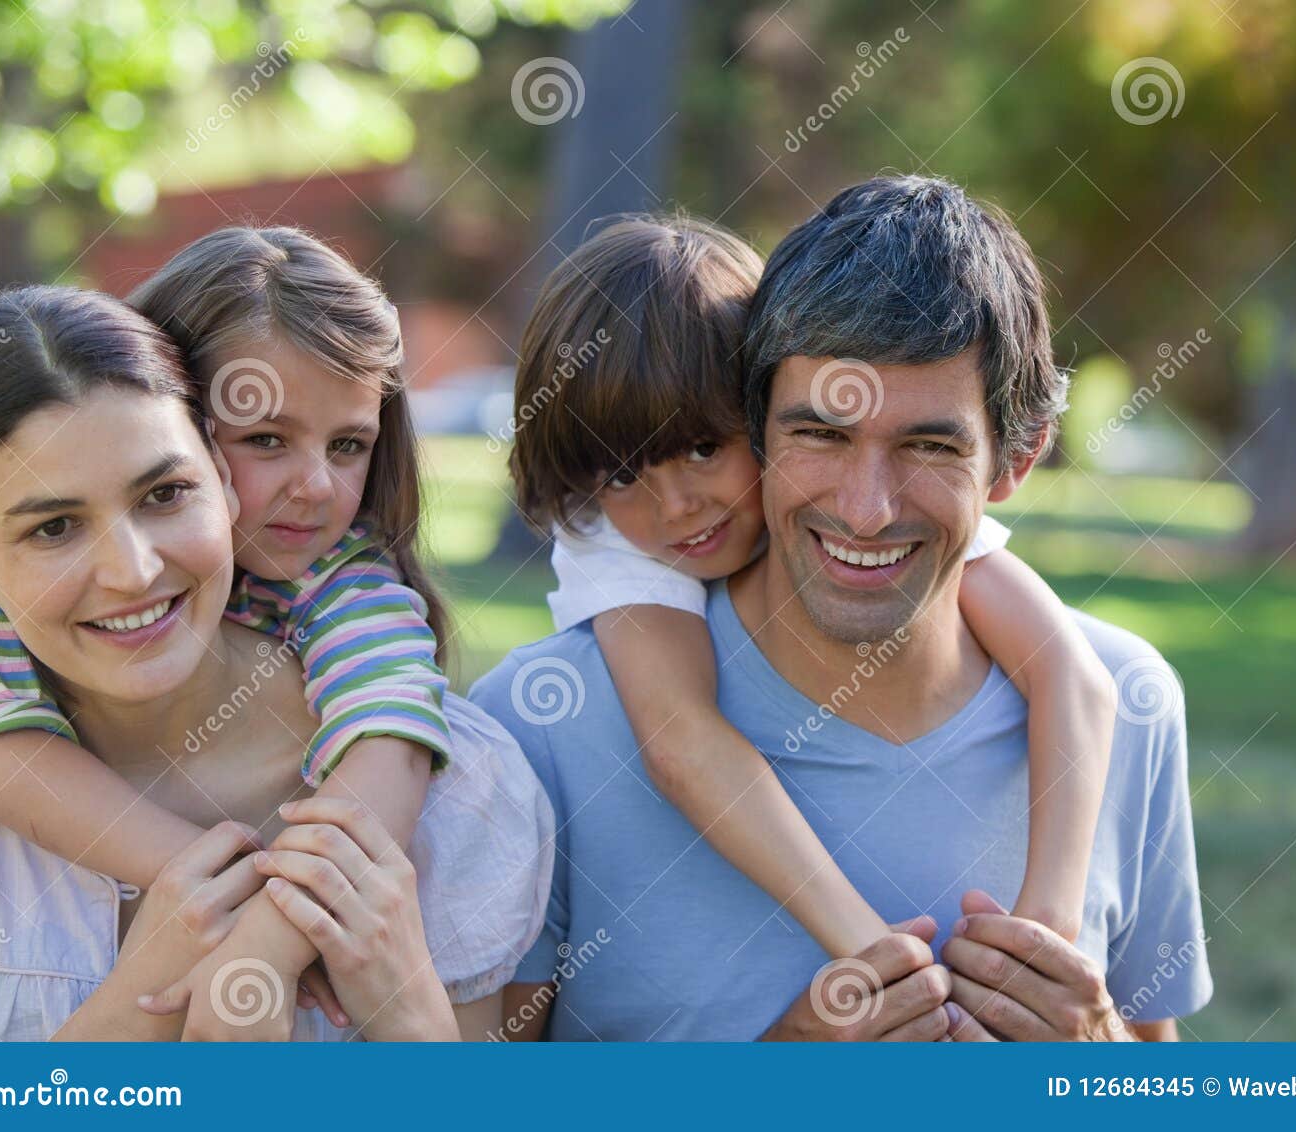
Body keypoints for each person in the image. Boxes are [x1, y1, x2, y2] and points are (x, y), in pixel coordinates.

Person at [476, 175, 1211, 1041]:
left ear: (1016, 459)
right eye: (821, 433)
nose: (867, 510)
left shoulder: (1131, 698)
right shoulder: (539, 727)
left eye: (929, 445)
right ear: (764, 425)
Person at [0, 286, 551, 1040]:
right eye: (54, 528)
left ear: (219, 475)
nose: (133, 571)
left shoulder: (469, 790)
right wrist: (135, 1009)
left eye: (165, 493)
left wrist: (408, 1017)